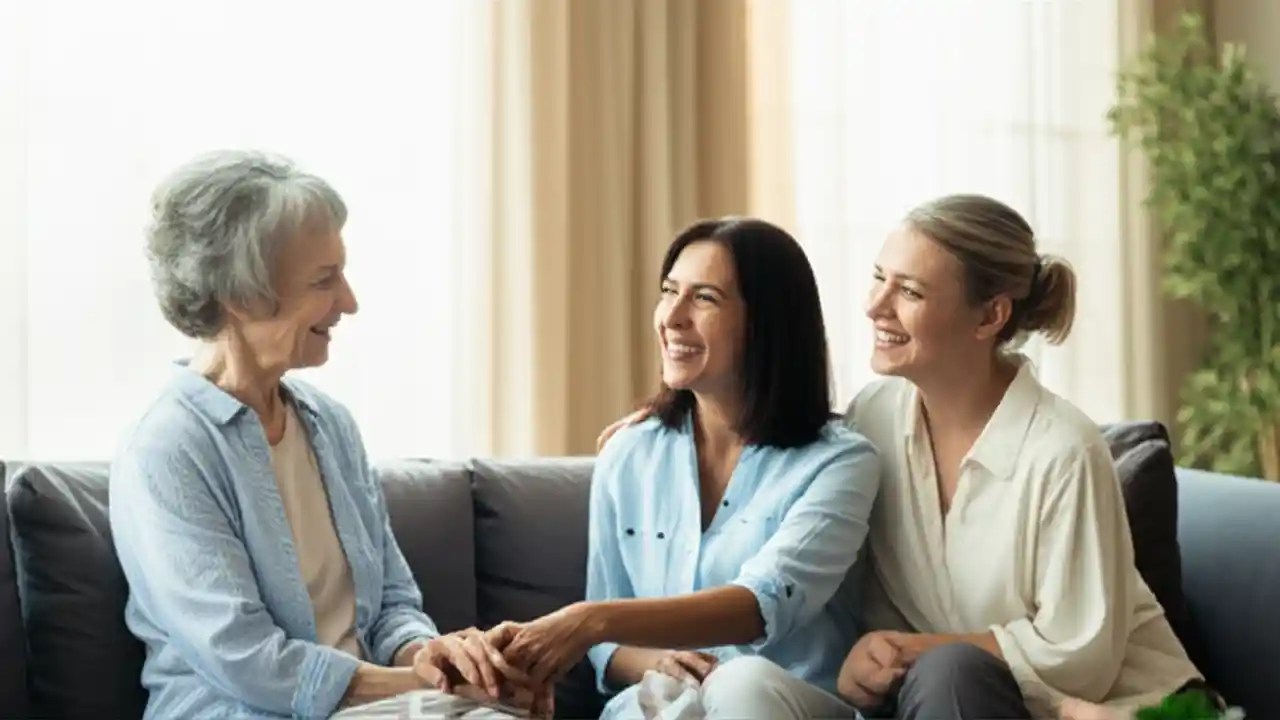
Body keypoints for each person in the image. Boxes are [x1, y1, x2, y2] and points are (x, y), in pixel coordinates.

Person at [598, 196, 1206, 720]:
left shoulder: (1063, 451)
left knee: (948, 671)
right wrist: (669, 413)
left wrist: (916, 648)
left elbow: (1084, 658)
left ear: (990, 315)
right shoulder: (876, 418)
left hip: (1122, 705)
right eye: (878, 278)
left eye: (909, 291)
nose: (874, 306)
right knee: (946, 674)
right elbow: (787, 427)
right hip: (969, 697)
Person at [109, 150, 547, 719]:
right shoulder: (166, 449)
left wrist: (434, 657)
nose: (349, 302)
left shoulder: (329, 425)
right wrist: (427, 689)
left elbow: (392, 603)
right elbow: (248, 660)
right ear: (242, 295)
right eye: (325, 280)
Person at [490, 217, 882, 720]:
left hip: (785, 703)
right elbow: (606, 651)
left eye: (705, 298)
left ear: (768, 322)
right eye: (669, 291)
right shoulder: (628, 454)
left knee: (742, 683)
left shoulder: (840, 463)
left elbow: (762, 605)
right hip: (660, 708)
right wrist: (653, 660)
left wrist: (590, 620)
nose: (672, 317)